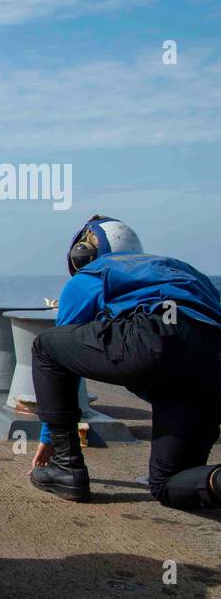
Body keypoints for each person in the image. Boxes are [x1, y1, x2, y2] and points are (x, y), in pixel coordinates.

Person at [29, 215, 221, 509]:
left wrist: (50, 436)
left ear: (83, 252)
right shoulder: (184, 270)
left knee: (46, 345)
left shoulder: (94, 273)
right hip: (210, 364)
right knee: (169, 483)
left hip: (156, 337)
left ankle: (66, 467)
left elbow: (63, 357)